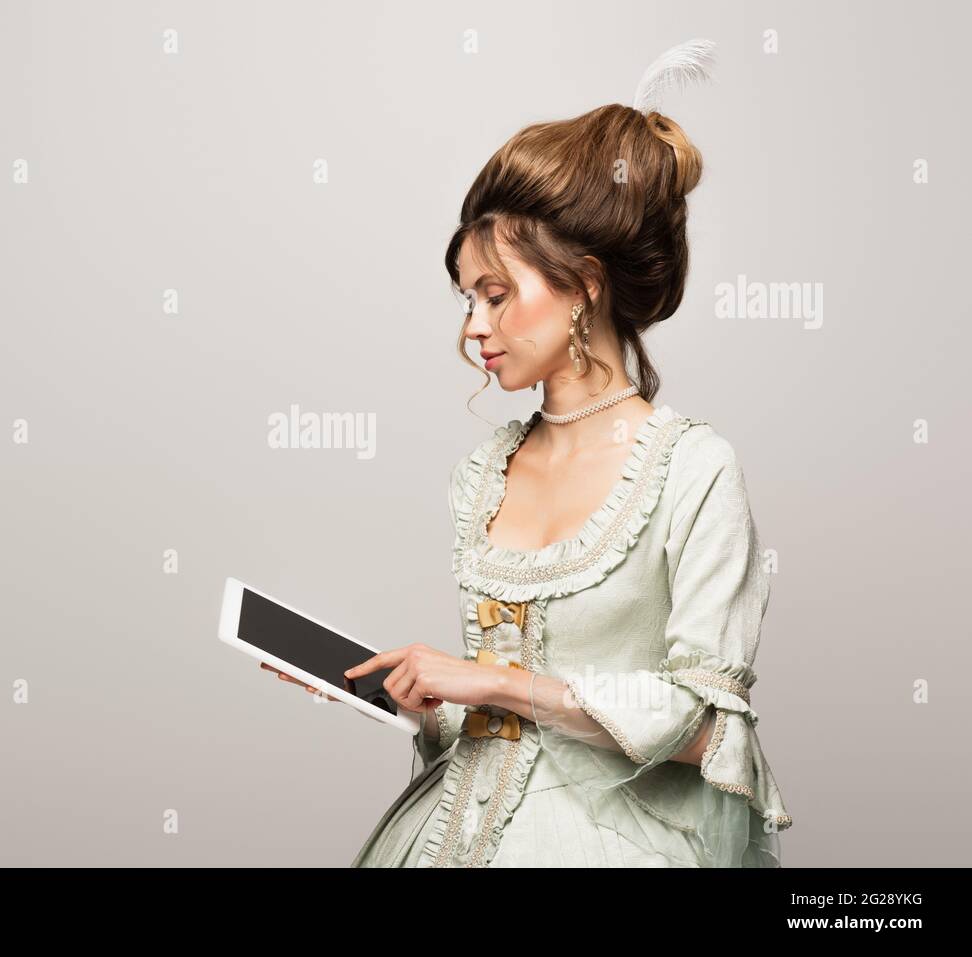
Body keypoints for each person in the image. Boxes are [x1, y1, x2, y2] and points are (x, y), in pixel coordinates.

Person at [268, 40, 794, 867]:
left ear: (584, 284)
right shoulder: (480, 477)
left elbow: (706, 728)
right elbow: (502, 724)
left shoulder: (695, 470)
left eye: (497, 293)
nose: (473, 326)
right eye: (468, 298)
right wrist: (410, 692)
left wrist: (494, 680)